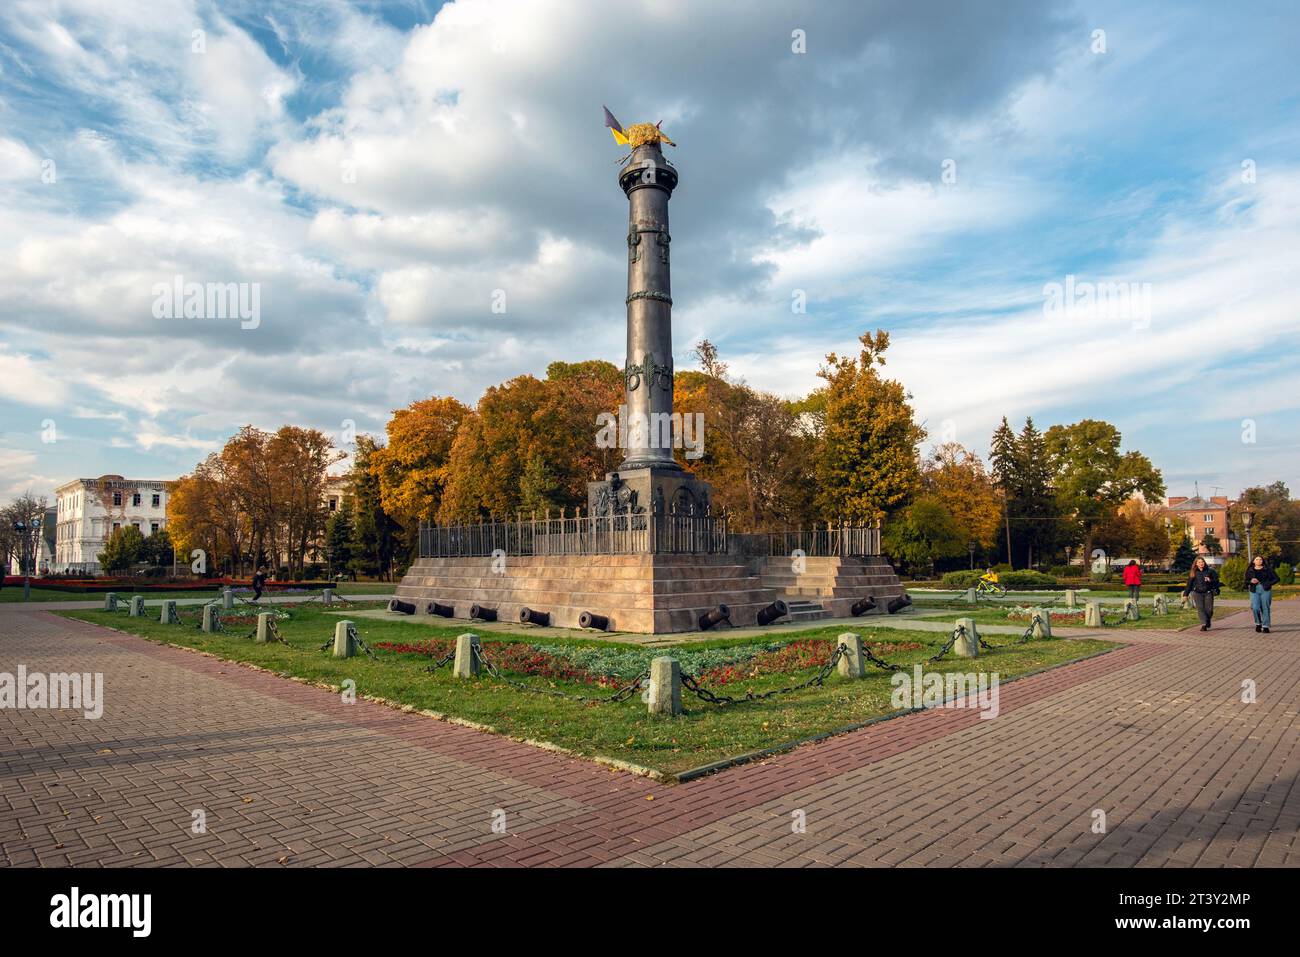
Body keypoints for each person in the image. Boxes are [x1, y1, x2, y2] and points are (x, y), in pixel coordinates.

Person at [1181, 557, 1220, 631]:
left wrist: (1210, 580)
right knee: (1200, 609)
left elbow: (1216, 581)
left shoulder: (1210, 571)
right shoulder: (1193, 572)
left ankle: (1207, 621)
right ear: (1196, 564)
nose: (1201, 563)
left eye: (1202, 562)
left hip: (1208, 592)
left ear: (1204, 563)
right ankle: (1204, 624)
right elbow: (1189, 584)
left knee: (1209, 610)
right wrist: (1185, 595)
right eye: (1199, 562)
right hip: (1197, 593)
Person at [1246, 556, 1279, 634]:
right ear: (1254, 561)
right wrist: (1251, 581)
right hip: (1254, 590)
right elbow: (1245, 580)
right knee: (1255, 607)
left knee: (1265, 608)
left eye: (1260, 559)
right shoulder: (1250, 570)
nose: (1259, 561)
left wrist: (1268, 583)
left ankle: (1266, 626)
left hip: (1266, 590)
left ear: (1262, 561)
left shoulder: (1268, 569)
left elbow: (1277, 579)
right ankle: (1258, 623)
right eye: (1257, 559)